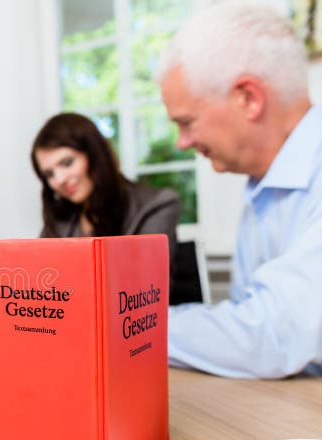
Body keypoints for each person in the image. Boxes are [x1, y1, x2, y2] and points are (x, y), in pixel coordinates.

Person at [157, 1, 321, 378]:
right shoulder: (261, 183)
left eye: (187, 122)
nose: (182, 143)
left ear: (249, 98)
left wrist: (125, 326)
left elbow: (275, 336)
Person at [30, 113, 180, 266]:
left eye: (67, 162)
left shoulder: (157, 205)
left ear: (95, 155)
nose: (59, 179)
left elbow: (148, 281)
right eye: (49, 174)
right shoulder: (60, 219)